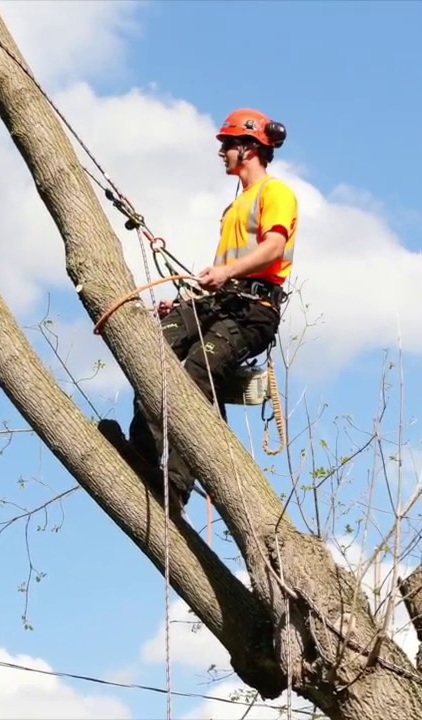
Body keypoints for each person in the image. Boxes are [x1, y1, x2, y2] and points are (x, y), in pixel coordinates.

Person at [126, 108, 300, 514]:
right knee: (152, 348)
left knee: (196, 371)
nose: (222, 152)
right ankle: (143, 457)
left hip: (253, 309)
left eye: (228, 145)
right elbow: (227, 271)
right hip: (221, 301)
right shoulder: (234, 208)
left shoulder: (276, 193)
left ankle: (176, 486)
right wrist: (188, 303)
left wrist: (226, 272)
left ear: (249, 148)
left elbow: (273, 248)